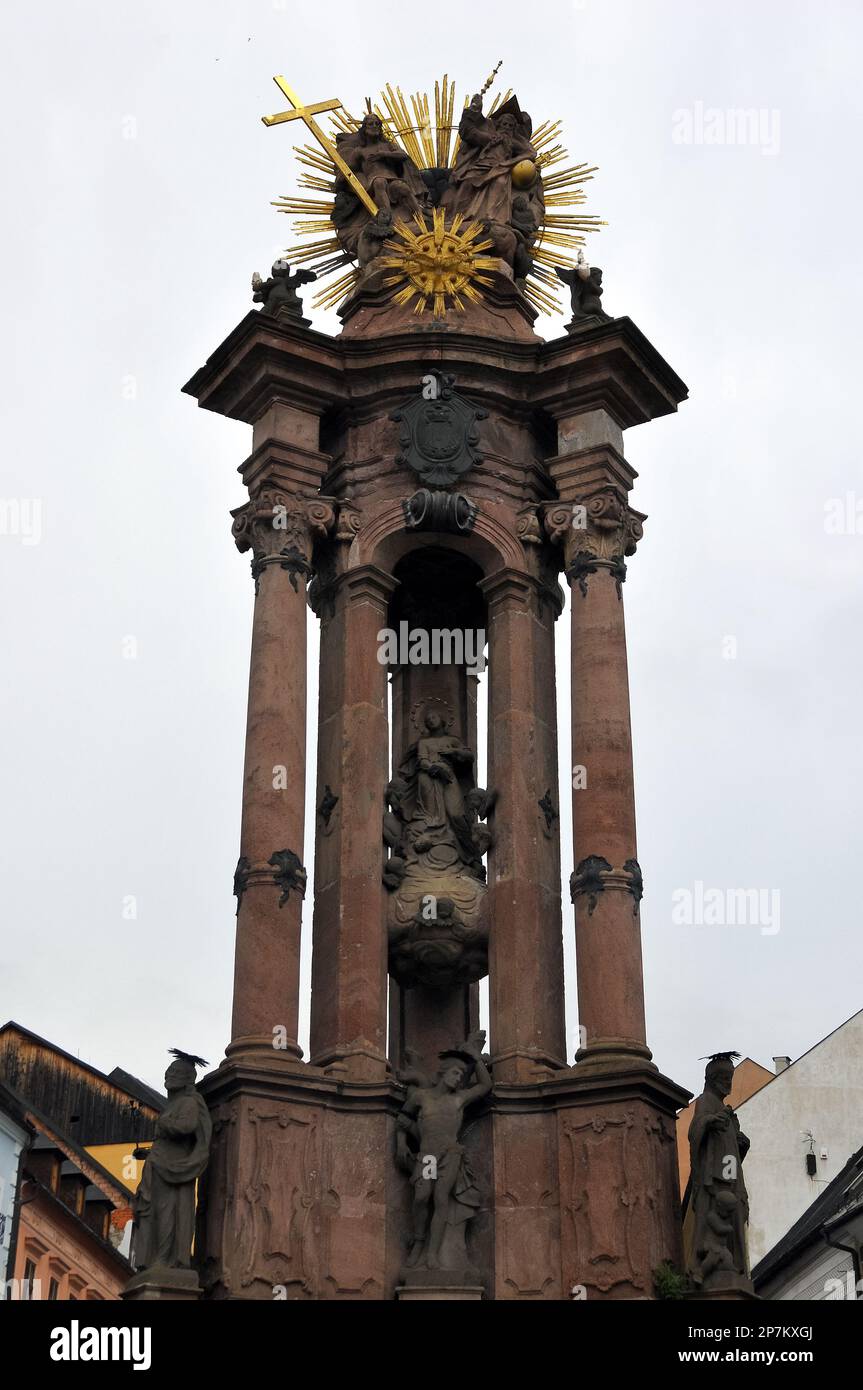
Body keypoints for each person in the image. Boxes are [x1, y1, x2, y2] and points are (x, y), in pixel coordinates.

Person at [131, 1051, 212, 1272]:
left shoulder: (189, 1103)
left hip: (174, 1169)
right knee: (151, 1211)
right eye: (169, 1070)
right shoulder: (174, 1105)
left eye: (176, 1071)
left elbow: (186, 1127)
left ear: (188, 1078)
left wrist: (165, 1125)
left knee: (167, 1213)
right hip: (158, 1165)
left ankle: (164, 1259)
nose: (169, 1074)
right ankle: (150, 1258)